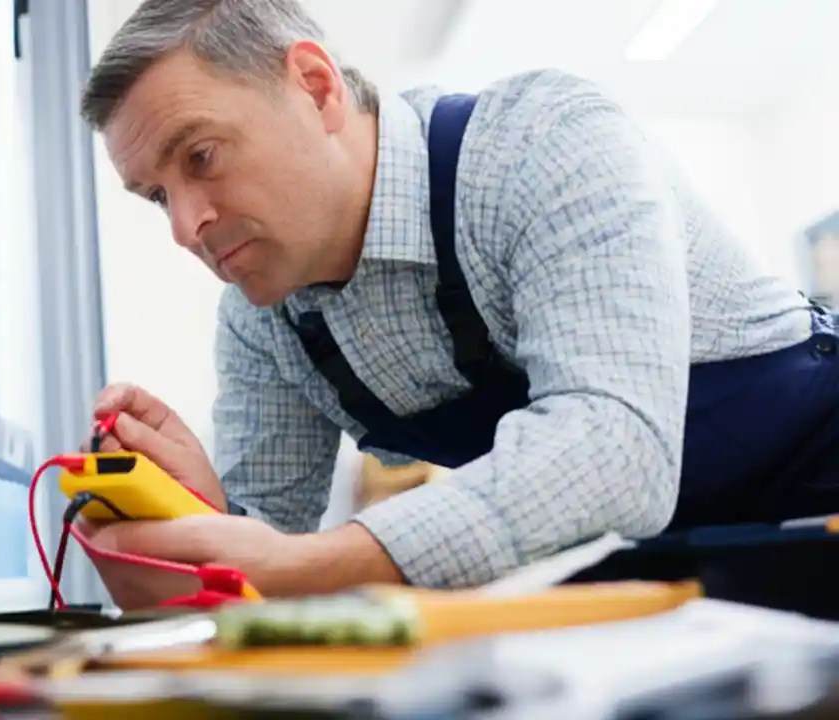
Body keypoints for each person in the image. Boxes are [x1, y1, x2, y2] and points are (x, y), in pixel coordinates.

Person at [73, 0, 839, 609]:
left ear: (314, 87)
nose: (184, 227)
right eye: (156, 197)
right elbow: (266, 542)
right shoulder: (263, 319)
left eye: (201, 157)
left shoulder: (543, 141)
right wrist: (197, 517)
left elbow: (613, 450)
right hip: (659, 577)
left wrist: (311, 565)